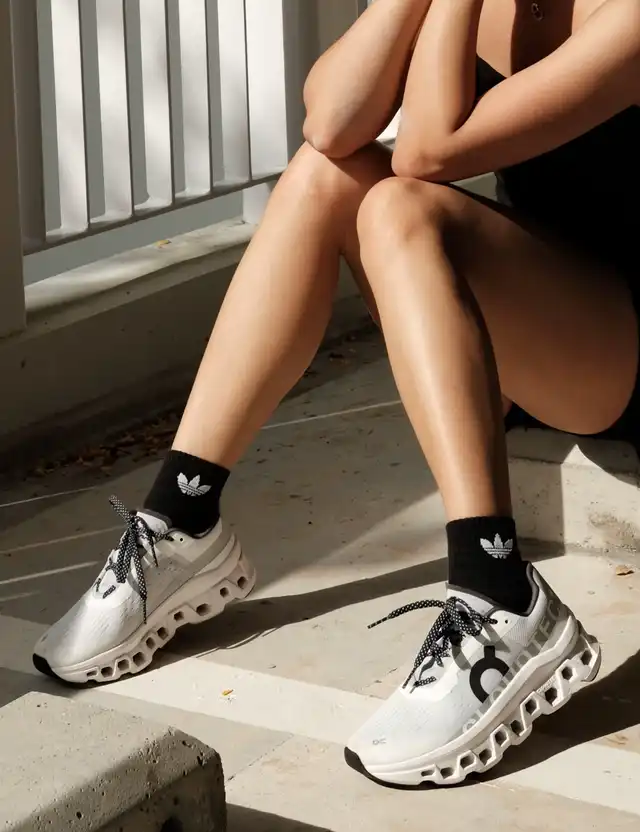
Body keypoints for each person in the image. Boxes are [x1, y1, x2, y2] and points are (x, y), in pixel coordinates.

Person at [34, 0, 639, 787]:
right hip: (549, 315)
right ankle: (181, 517)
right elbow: (330, 120)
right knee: (326, 171)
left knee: (401, 204)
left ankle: (498, 591)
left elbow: (429, 150)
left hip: (624, 349)